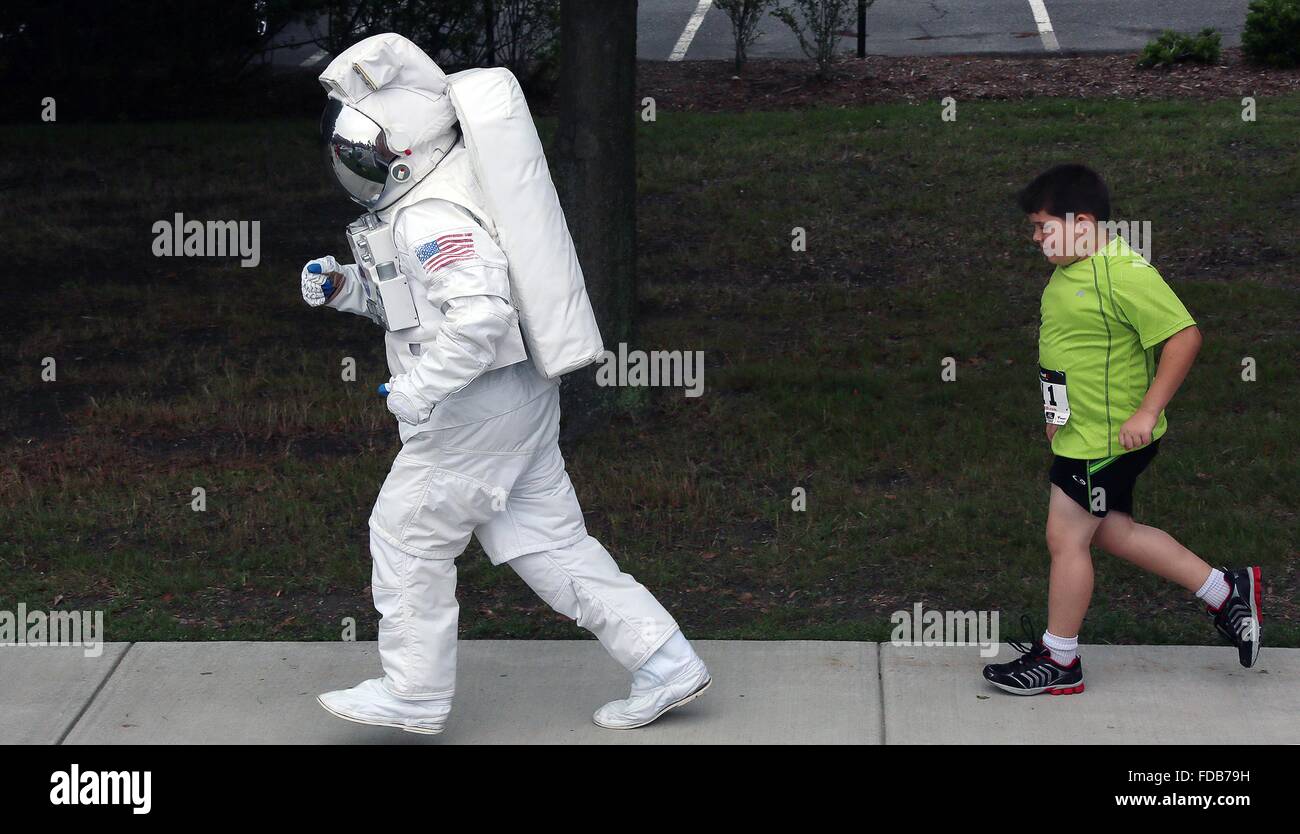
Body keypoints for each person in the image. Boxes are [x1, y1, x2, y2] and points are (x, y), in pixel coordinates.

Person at [301, 34, 710, 734]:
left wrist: (417, 389)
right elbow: (423, 306)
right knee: (548, 544)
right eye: (349, 158)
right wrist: (348, 291)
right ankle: (666, 662)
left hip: (474, 410)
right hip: (514, 402)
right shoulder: (439, 188)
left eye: (365, 161)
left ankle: (415, 692)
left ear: (408, 154)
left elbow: (481, 317)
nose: (355, 172)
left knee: (406, 536)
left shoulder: (431, 215)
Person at [983, 164, 1263, 696]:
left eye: (1044, 227)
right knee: (1112, 532)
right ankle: (1224, 592)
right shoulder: (1073, 270)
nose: (1036, 238)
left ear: (1082, 222)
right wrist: (1055, 412)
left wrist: (1145, 412)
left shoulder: (1124, 273)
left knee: (1065, 538)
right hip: (1080, 432)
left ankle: (1061, 659)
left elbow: (1184, 337)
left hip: (1108, 440)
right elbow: (1072, 348)